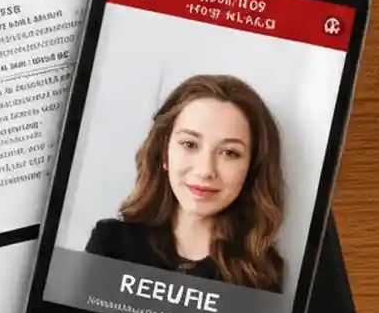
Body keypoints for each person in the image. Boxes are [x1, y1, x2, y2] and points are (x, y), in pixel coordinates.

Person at [85, 74, 285, 293]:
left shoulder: (260, 275)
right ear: (164, 154)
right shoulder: (111, 243)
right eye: (189, 144)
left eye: (229, 153)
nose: (205, 171)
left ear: (252, 167)